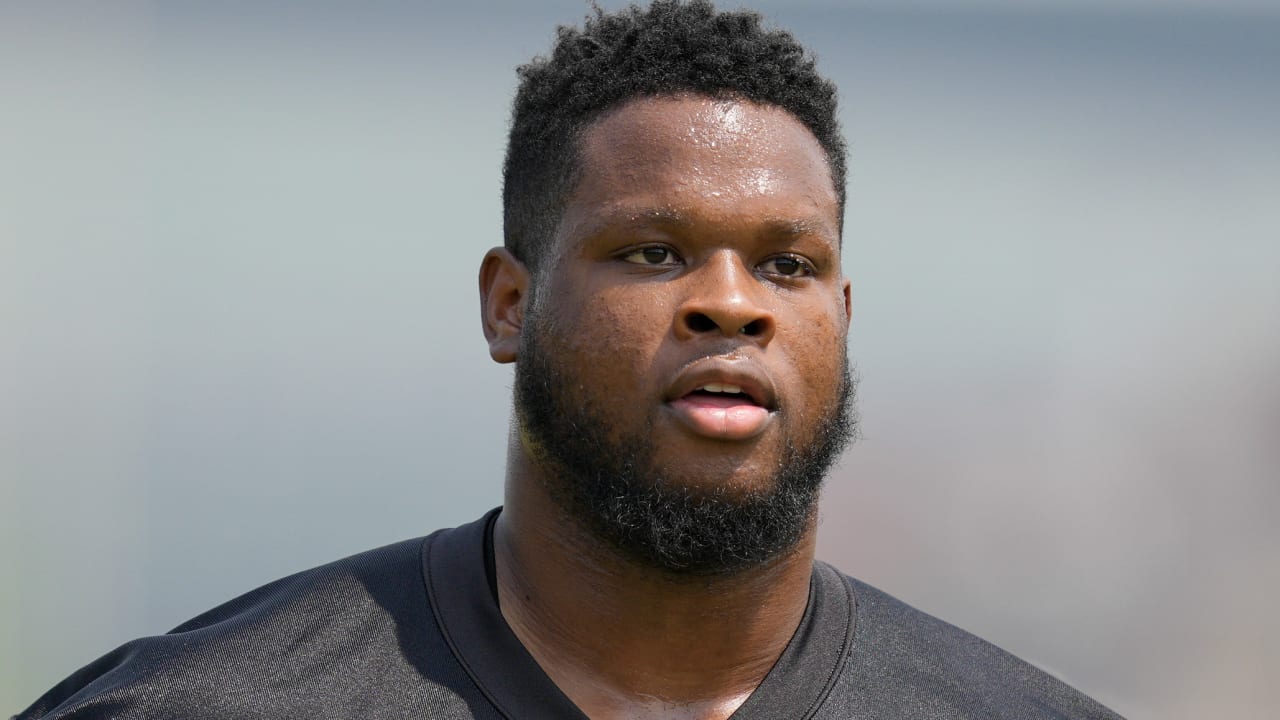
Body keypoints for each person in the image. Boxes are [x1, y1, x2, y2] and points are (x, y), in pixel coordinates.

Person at [16, 2, 1122, 718]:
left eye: (785, 266)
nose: (729, 305)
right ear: (508, 304)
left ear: (840, 315)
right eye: (653, 252)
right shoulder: (208, 709)